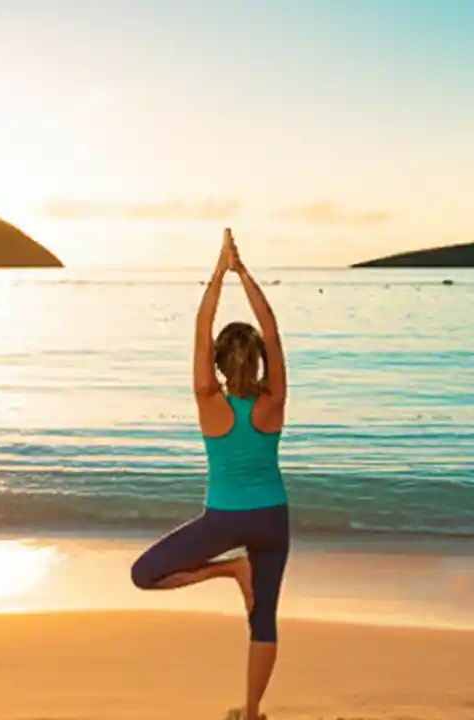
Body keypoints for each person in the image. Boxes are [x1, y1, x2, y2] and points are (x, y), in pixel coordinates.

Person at [130, 228, 290, 720]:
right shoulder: (274, 403)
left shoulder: (208, 400)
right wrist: (245, 274)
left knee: (143, 574)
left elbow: (202, 327)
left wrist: (220, 273)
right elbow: (273, 326)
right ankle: (251, 711)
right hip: (272, 519)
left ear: (217, 365)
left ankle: (229, 569)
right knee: (262, 618)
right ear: (260, 356)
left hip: (223, 521)